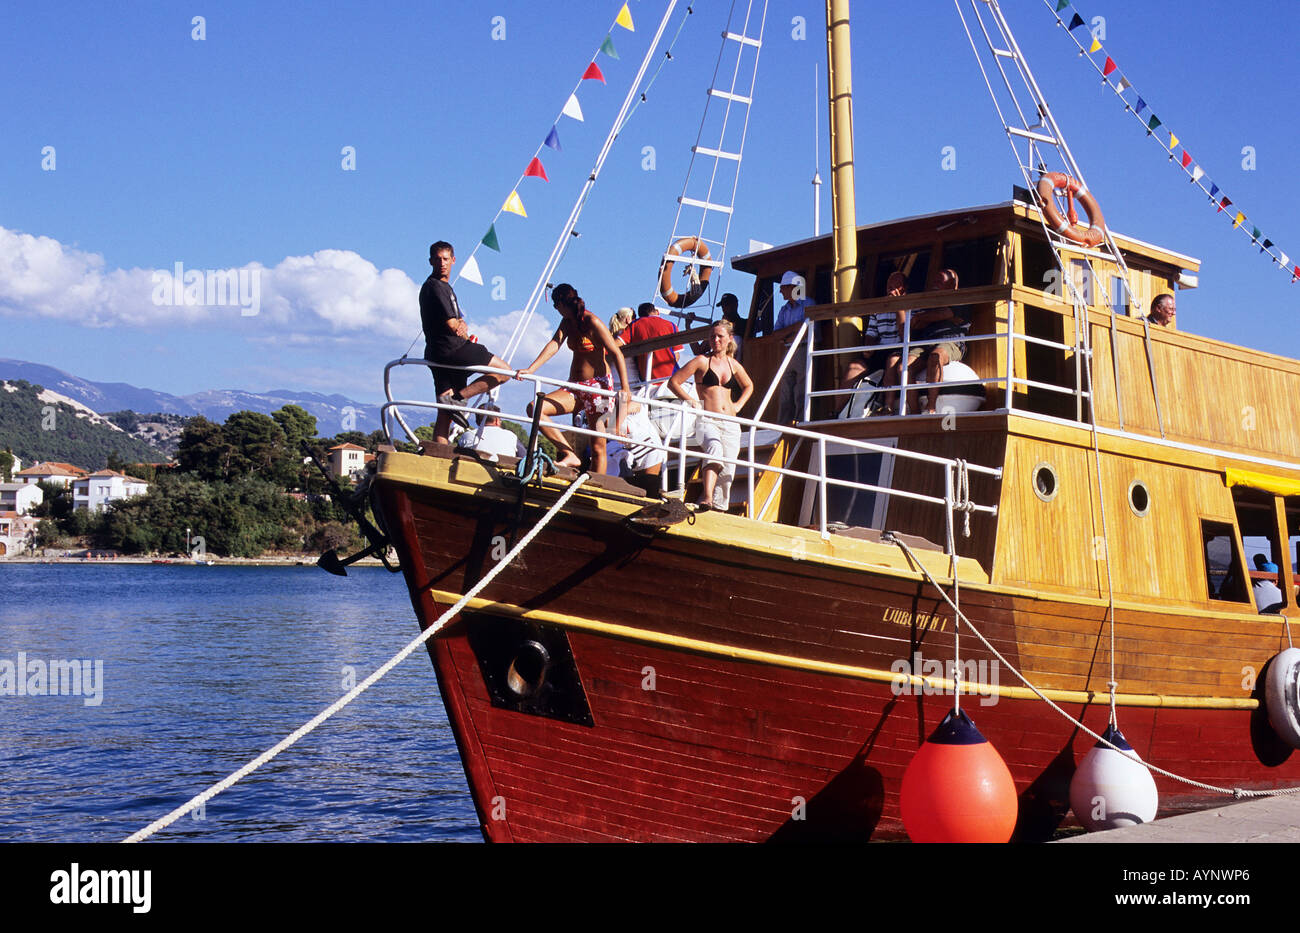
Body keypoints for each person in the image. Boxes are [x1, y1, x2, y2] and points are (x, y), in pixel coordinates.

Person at [516, 283, 631, 472]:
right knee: (535, 408)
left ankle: (596, 489)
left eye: (555, 305)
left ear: (561, 304)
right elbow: (555, 344)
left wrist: (624, 389)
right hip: (574, 386)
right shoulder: (567, 322)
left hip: (597, 388)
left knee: (597, 446)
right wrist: (531, 369)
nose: (555, 310)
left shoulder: (592, 322)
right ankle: (569, 453)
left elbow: (616, 353)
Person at [420, 241, 512, 443]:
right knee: (504, 371)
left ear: (453, 260)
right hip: (451, 349)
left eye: (445, 259)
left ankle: (438, 454)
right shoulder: (435, 287)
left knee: (444, 412)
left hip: (437, 352)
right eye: (437, 259)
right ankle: (459, 399)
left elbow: (458, 321)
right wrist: (460, 329)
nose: (442, 263)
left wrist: (461, 325)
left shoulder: (444, 288)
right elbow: (453, 324)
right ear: (430, 261)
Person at [668, 320, 753, 511]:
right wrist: (691, 401)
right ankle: (706, 498)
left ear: (729, 339)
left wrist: (738, 405)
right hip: (707, 418)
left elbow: (749, 385)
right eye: (712, 336)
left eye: (720, 336)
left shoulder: (733, 364)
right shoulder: (701, 361)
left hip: (731, 421)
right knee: (714, 448)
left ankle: (719, 508)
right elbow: (674, 382)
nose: (715, 340)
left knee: (729, 466)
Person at [841, 271, 907, 413]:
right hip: (880, 350)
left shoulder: (911, 306)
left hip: (900, 349)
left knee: (892, 360)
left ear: (903, 289)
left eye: (895, 285)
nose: (890, 288)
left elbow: (905, 335)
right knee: (853, 367)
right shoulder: (878, 309)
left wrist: (898, 308)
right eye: (889, 285)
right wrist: (868, 347)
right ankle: (836, 411)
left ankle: (887, 406)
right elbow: (871, 333)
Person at [905, 268, 969, 415]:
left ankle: (931, 407)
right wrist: (924, 317)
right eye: (934, 281)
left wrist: (923, 316)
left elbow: (947, 314)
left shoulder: (962, 297)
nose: (934, 285)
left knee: (935, 356)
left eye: (939, 282)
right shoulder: (930, 301)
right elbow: (916, 324)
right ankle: (914, 412)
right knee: (904, 366)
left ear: (952, 284)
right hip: (926, 342)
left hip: (951, 342)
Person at [774, 271, 815, 424]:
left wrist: (786, 335)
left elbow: (808, 332)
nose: (780, 291)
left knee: (801, 391)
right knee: (785, 392)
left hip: (804, 349)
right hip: (788, 351)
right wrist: (794, 329)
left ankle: (799, 423)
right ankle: (783, 425)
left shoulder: (809, 304)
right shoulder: (784, 309)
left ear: (792, 287)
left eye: (783, 287)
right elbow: (775, 335)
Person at [618, 302, 682, 385]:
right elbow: (677, 356)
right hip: (672, 378)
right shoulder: (672, 325)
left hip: (648, 380)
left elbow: (618, 343)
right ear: (657, 312)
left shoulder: (635, 325)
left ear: (640, 315)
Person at [455, 404, 526, 462]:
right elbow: (524, 457)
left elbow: (456, 455)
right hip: (503, 475)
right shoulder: (511, 436)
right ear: (497, 420)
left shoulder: (467, 435)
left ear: (477, 421)